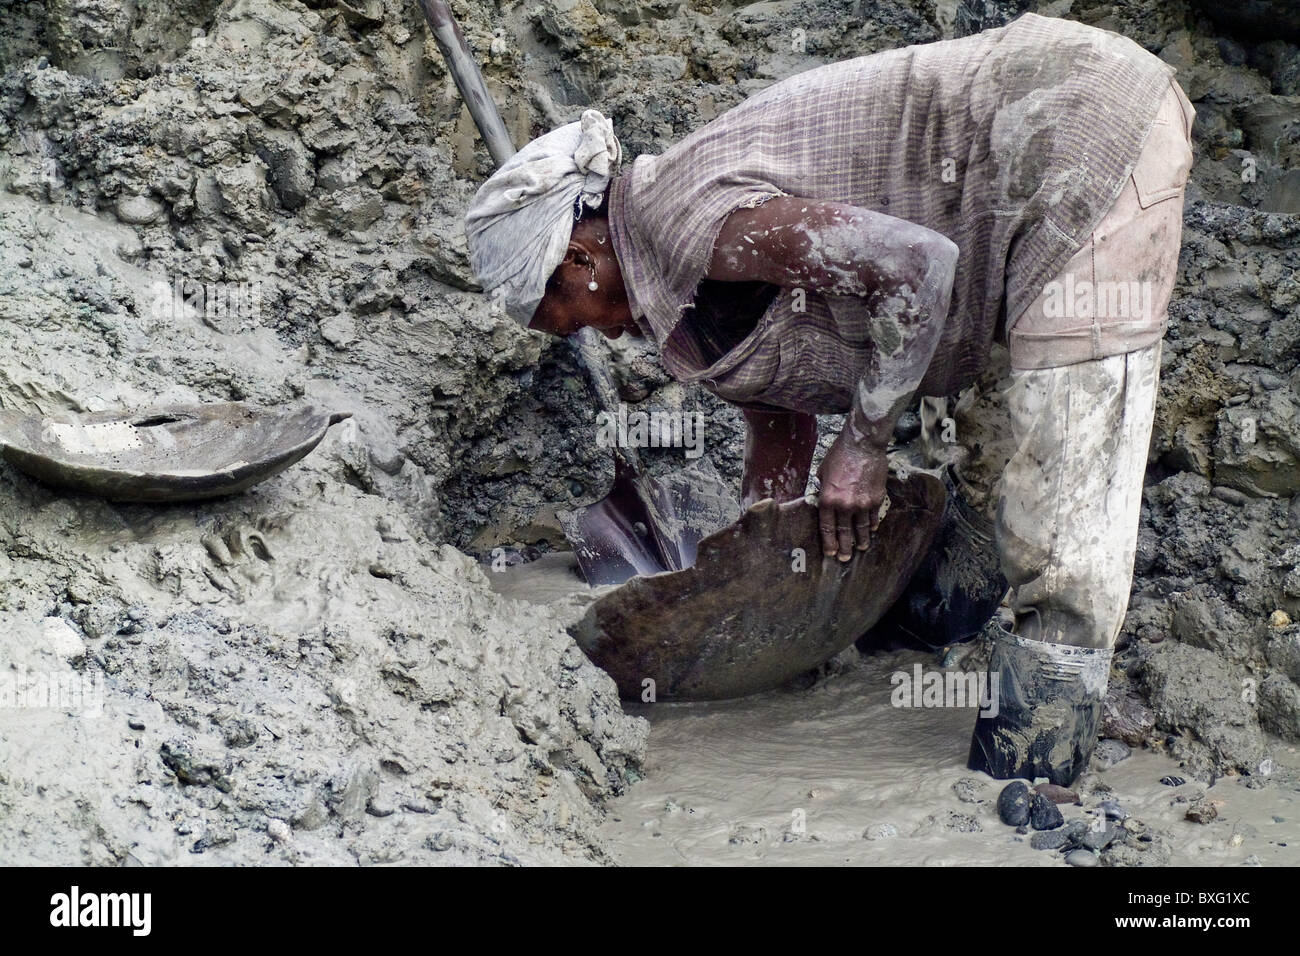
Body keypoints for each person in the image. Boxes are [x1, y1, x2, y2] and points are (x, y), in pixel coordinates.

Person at [462, 13, 1194, 786]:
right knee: (983, 483)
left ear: (577, 259)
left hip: (1071, 127)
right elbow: (778, 408)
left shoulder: (682, 222)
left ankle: (1035, 766)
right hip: (1001, 203)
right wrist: (756, 563)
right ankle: (952, 617)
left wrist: (866, 442)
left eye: (560, 317)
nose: (588, 338)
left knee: (1064, 487)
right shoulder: (665, 292)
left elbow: (920, 265)